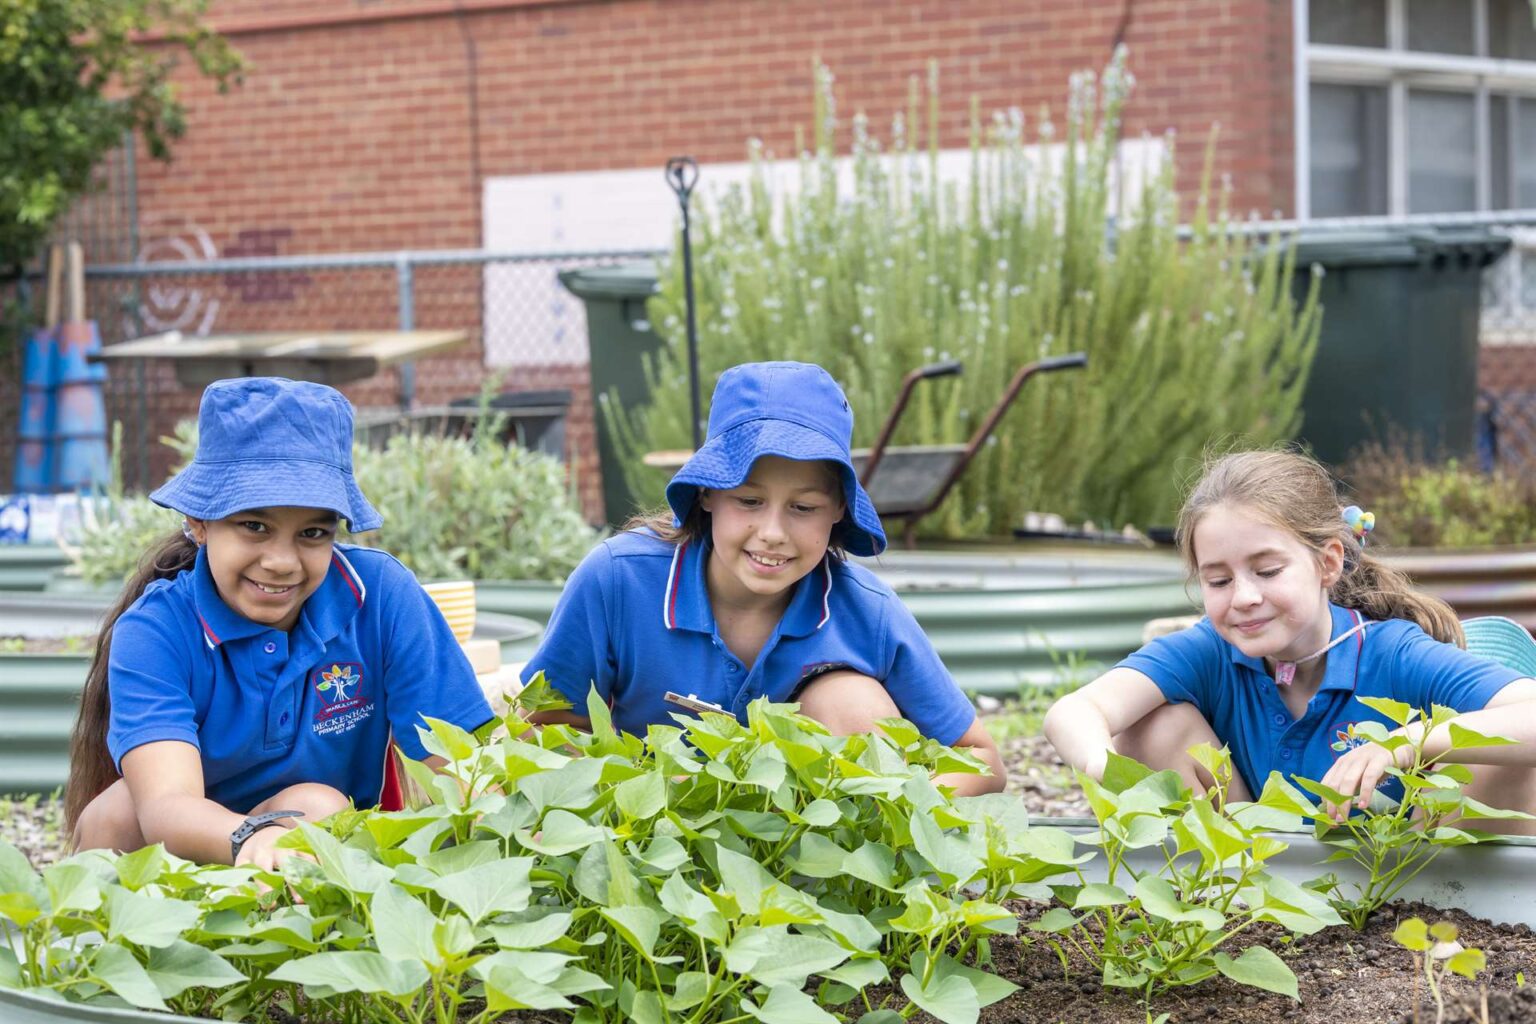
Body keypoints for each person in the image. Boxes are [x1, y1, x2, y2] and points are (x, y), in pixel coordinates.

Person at [64, 377, 495, 867]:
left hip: (318, 851)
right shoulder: (156, 629)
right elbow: (167, 807)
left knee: (319, 808)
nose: (282, 561)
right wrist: (250, 839)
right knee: (113, 817)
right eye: (255, 526)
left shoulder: (383, 597)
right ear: (200, 522)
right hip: (181, 855)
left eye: (313, 532)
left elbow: (462, 770)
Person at [520, 361, 1006, 795]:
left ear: (839, 509)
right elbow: (541, 726)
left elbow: (981, 759)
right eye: (749, 501)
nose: (772, 533)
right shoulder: (617, 580)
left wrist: (890, 800)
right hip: (651, 851)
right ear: (707, 493)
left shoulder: (866, 610)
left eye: (803, 507)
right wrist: (639, 790)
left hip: (812, 858)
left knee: (848, 698)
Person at [1043, 448, 1536, 829]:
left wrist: (1403, 744)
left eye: (1267, 570)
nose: (1244, 597)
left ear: (1328, 563)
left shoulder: (1392, 652)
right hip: (1257, 882)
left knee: (1502, 760)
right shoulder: (1212, 650)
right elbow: (1073, 711)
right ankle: (1220, 893)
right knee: (1150, 727)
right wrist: (1102, 765)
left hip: (1398, 884)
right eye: (1218, 581)